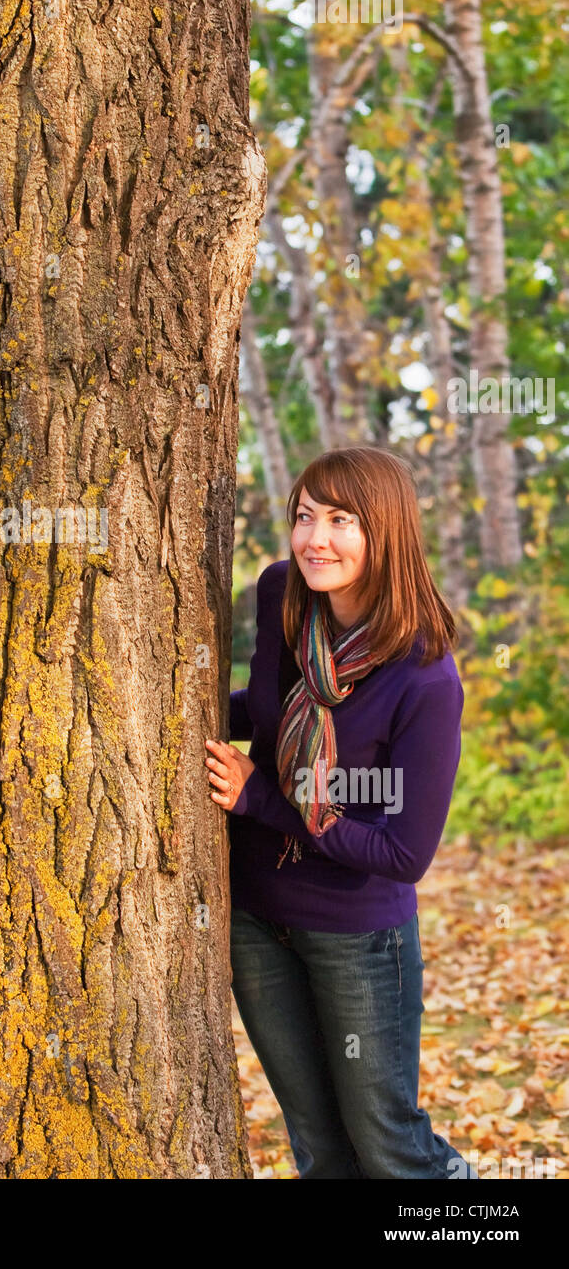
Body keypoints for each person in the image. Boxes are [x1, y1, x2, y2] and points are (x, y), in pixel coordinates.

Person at [206, 445, 474, 1179]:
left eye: (340, 520)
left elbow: (403, 853)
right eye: (304, 515)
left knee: (388, 1146)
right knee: (320, 1147)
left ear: (383, 532)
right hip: (257, 917)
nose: (314, 538)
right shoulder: (282, 595)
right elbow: (267, 713)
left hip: (356, 932)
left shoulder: (422, 675)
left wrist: (262, 796)